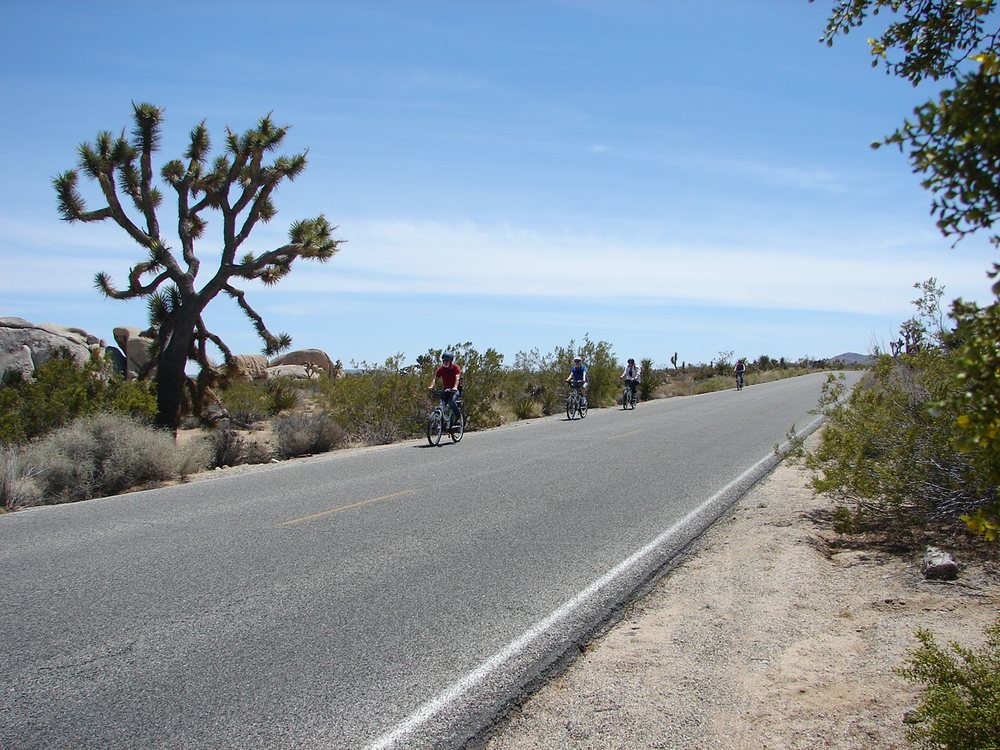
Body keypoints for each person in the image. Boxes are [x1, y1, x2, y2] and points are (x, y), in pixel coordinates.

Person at [429, 351, 463, 423]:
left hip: (456, 390)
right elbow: (435, 378)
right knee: (442, 403)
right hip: (447, 389)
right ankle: (443, 422)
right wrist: (432, 386)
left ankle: (458, 416)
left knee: (451, 402)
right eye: (444, 360)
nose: (445, 362)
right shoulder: (441, 369)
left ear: (450, 361)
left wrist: (455, 387)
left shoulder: (456, 368)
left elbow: (457, 378)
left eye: (447, 361)